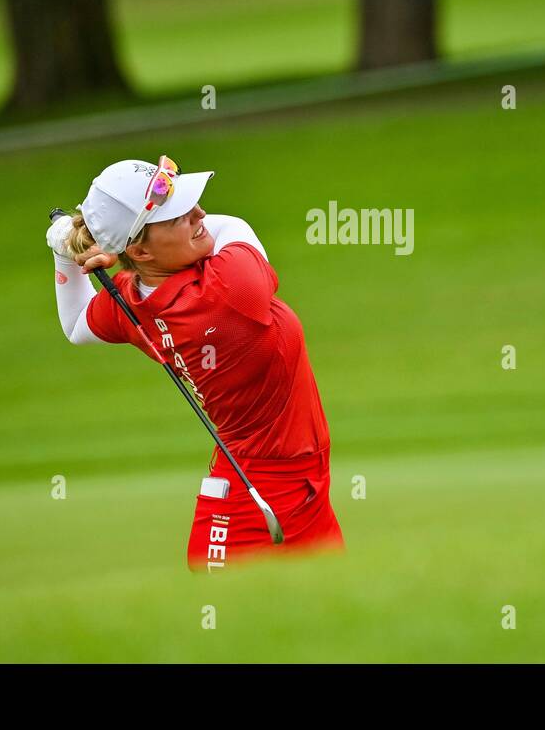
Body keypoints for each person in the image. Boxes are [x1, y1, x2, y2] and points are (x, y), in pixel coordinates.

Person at [45, 156, 344, 571]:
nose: (200, 214)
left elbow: (77, 324)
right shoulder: (232, 287)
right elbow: (233, 225)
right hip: (254, 496)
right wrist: (93, 243)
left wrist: (64, 250)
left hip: (295, 479)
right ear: (140, 250)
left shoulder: (133, 301)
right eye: (178, 216)